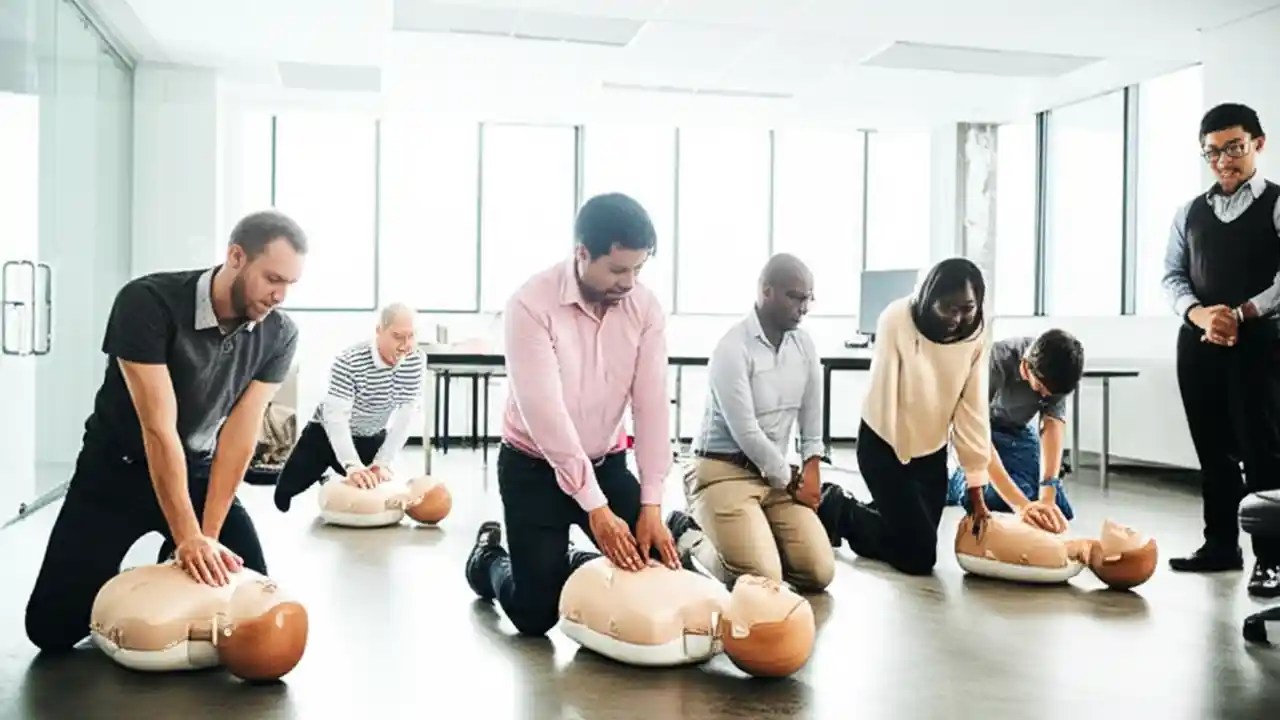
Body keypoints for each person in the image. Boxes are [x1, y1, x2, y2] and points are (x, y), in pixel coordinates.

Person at [24, 210, 306, 652]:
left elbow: (239, 432)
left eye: (289, 283)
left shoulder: (280, 334)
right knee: (51, 630)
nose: (280, 295)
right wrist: (186, 536)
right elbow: (158, 429)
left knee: (251, 614)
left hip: (197, 472)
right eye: (273, 278)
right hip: (113, 471)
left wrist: (205, 535)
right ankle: (147, 575)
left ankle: (173, 563)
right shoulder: (147, 301)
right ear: (236, 256)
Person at [463, 192, 680, 637]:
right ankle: (487, 559)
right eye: (618, 269)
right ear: (582, 254)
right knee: (536, 615)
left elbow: (652, 405)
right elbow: (546, 417)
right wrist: (597, 509)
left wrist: (651, 503)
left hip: (606, 461)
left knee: (655, 564)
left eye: (639, 269)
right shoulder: (530, 305)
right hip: (533, 467)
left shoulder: (645, 307)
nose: (630, 282)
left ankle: (565, 561)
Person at [1162, 102, 1280, 596]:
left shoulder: (1275, 203)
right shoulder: (1188, 212)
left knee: (1264, 452)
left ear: (1257, 143)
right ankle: (1220, 546)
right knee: (1211, 449)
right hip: (1198, 345)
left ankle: (1270, 561)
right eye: (1212, 152)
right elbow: (1172, 276)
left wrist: (1242, 313)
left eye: (1233, 147)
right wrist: (1202, 316)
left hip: (1261, 346)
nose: (1223, 160)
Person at [665, 254, 834, 592]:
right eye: (795, 297)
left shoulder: (805, 345)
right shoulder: (732, 348)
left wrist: (813, 467)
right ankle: (688, 535)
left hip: (775, 477)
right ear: (766, 291)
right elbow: (747, 433)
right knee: (762, 581)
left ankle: (754, 542)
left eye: (808, 298)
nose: (803, 307)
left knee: (819, 572)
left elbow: (811, 417)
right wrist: (792, 480)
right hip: (722, 472)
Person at [817, 257, 992, 576]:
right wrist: (900, 467)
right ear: (929, 299)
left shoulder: (977, 334)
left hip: (931, 450)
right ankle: (837, 507)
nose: (958, 318)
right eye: (948, 308)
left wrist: (976, 487)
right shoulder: (897, 318)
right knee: (918, 555)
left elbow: (972, 409)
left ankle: (863, 511)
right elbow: (887, 396)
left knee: (909, 533)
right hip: (883, 444)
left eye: (967, 308)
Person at [274, 303, 424, 512]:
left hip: (369, 435)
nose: (406, 345)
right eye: (398, 336)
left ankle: (333, 475)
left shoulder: (416, 359)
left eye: (412, 336)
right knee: (283, 494)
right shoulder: (350, 361)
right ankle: (323, 472)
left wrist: (383, 461)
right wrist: (350, 463)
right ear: (379, 331)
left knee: (371, 490)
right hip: (324, 433)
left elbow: (407, 414)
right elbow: (336, 417)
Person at [944, 329, 1084, 533]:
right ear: (1026, 367)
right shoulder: (995, 360)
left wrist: (1048, 492)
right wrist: (1022, 506)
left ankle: (1021, 492)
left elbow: (1052, 426)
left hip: (1017, 435)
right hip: (979, 434)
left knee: (1057, 507)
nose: (1046, 396)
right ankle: (953, 482)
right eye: (1042, 388)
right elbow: (976, 432)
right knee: (991, 497)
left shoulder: (1057, 373)